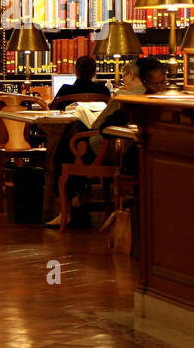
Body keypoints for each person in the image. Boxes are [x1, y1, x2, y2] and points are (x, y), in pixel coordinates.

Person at [47, 57, 166, 228]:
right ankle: (77, 202)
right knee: (72, 141)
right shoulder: (104, 90)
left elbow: (101, 127)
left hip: (108, 150)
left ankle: (69, 206)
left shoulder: (126, 98)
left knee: (69, 144)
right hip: (121, 148)